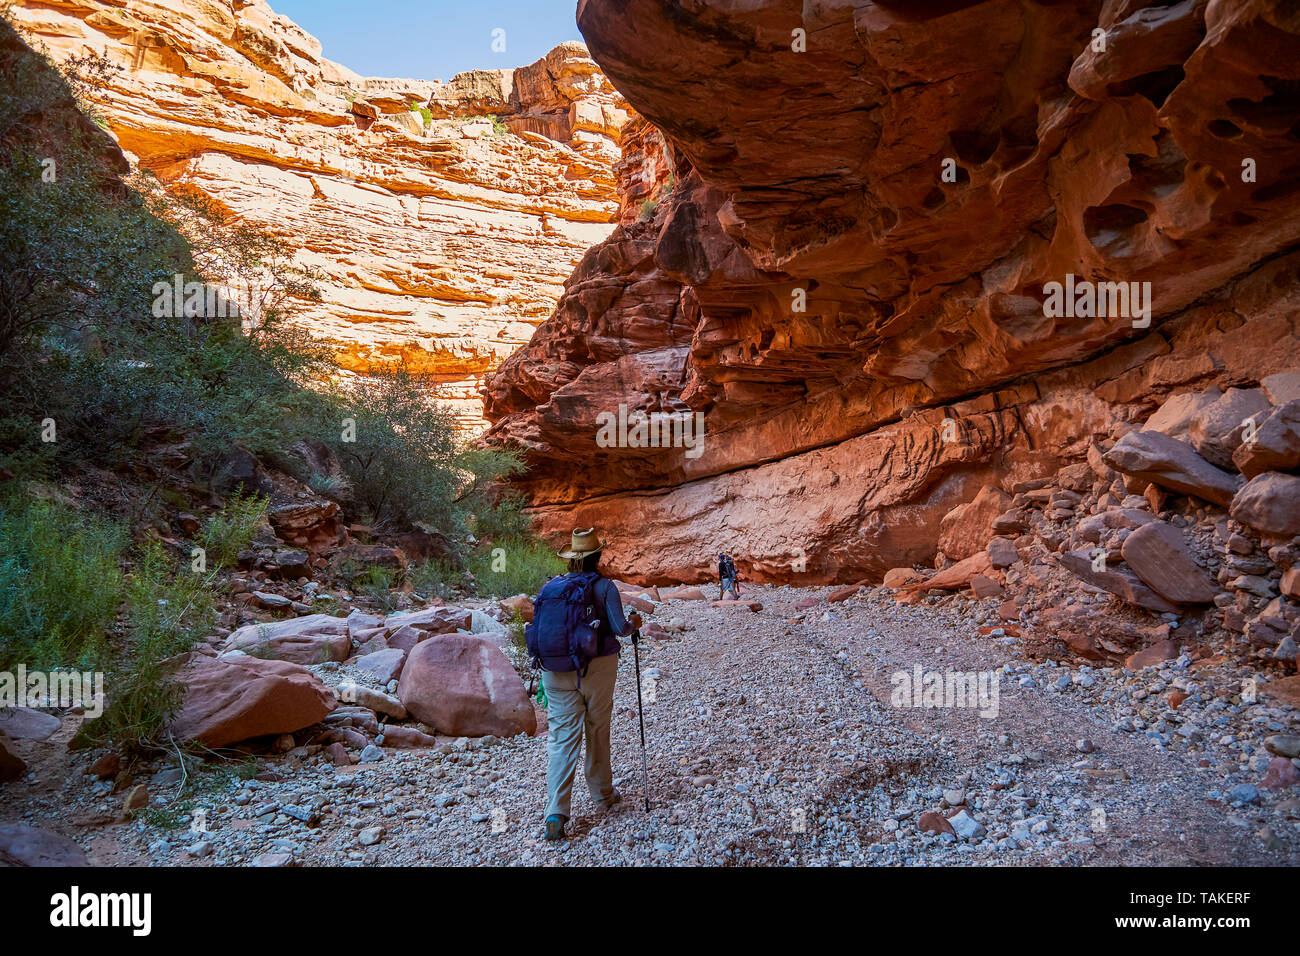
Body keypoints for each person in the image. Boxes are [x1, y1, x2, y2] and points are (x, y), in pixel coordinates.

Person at [540, 528, 642, 841]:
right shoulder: (604, 587)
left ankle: (556, 812)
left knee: (560, 739)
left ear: (571, 558)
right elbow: (619, 627)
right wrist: (636, 623)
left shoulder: (550, 587)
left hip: (555, 670)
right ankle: (603, 794)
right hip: (597, 667)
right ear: (598, 556)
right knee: (597, 729)